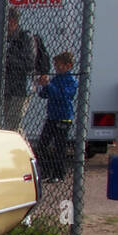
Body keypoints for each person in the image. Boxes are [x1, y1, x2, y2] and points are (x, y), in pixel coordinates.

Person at [0, 7, 50, 133]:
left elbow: (29, 63)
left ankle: (21, 150)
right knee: (10, 124)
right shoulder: (2, 38)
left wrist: (3, 58)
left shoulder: (26, 37)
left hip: (21, 88)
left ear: (12, 21)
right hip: (6, 87)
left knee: (12, 125)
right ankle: (23, 150)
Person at [36, 51, 78, 182]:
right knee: (43, 144)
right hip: (52, 117)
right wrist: (42, 85)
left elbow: (63, 96)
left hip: (63, 117)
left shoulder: (71, 80)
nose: (56, 68)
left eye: (59, 65)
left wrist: (49, 85)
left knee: (59, 147)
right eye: (55, 65)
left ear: (68, 66)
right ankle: (46, 170)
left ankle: (59, 174)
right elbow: (44, 94)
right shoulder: (56, 78)